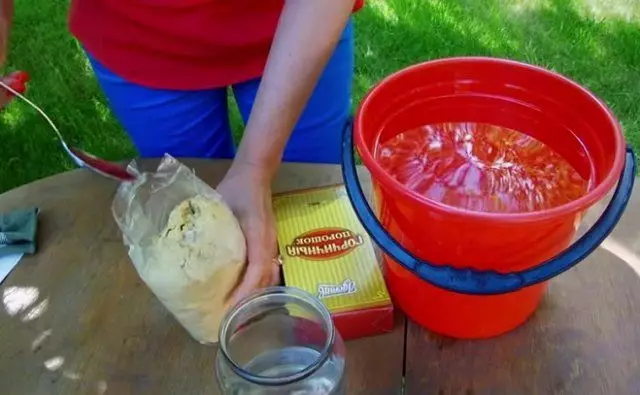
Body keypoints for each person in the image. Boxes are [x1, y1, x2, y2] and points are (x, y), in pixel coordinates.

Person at [0, 0, 363, 304]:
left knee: (317, 212)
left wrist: (256, 165)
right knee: (199, 246)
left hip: (301, 19)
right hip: (137, 35)